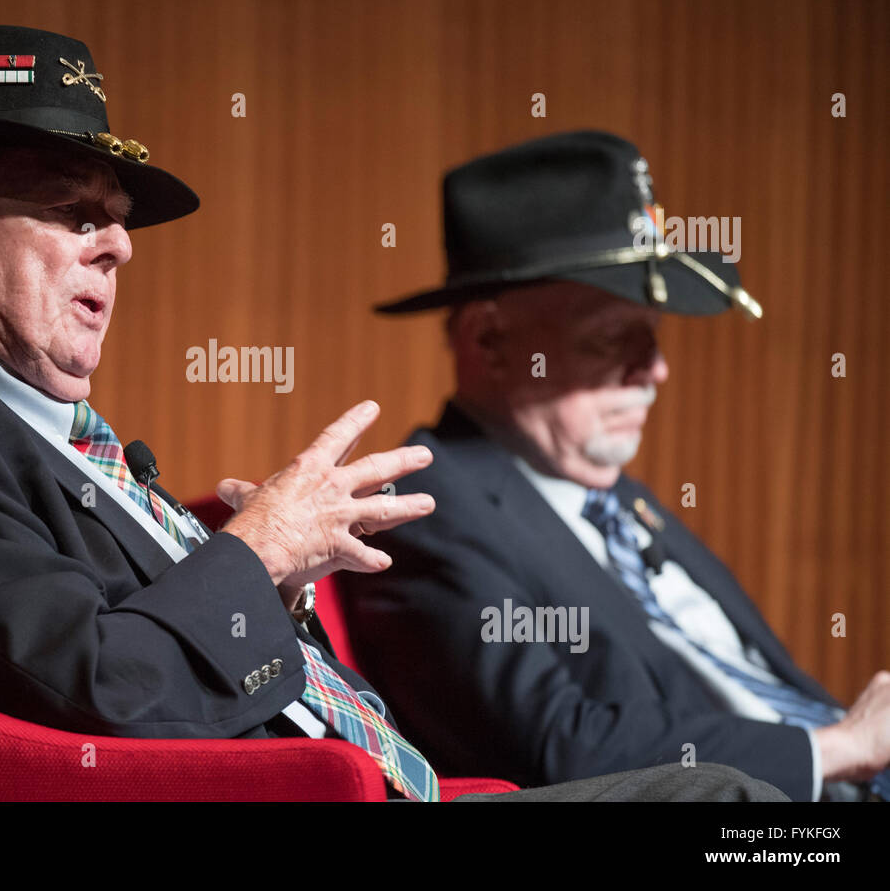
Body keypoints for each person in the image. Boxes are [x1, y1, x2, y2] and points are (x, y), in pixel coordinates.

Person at [0, 29, 782, 801]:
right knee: (734, 808)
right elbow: (98, 693)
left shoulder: (0, 415)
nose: (118, 248)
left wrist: (277, 577)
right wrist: (252, 555)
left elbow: (127, 651)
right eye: (73, 212)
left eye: (118, 222)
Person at [340, 129, 890, 802]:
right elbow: (561, 746)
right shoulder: (427, 508)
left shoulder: (620, 503)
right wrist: (840, 749)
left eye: (652, 337)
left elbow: (766, 688)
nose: (656, 370)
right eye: (610, 339)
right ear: (489, 339)